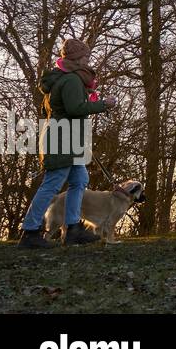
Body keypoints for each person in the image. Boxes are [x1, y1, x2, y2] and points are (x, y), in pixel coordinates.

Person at [18, 39, 115, 248]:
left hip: (66, 138)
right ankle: (30, 230)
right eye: (86, 57)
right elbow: (73, 109)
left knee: (80, 179)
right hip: (62, 139)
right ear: (77, 58)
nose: (89, 61)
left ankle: (73, 229)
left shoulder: (61, 79)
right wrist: (102, 105)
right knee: (52, 183)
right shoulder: (71, 79)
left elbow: (54, 110)